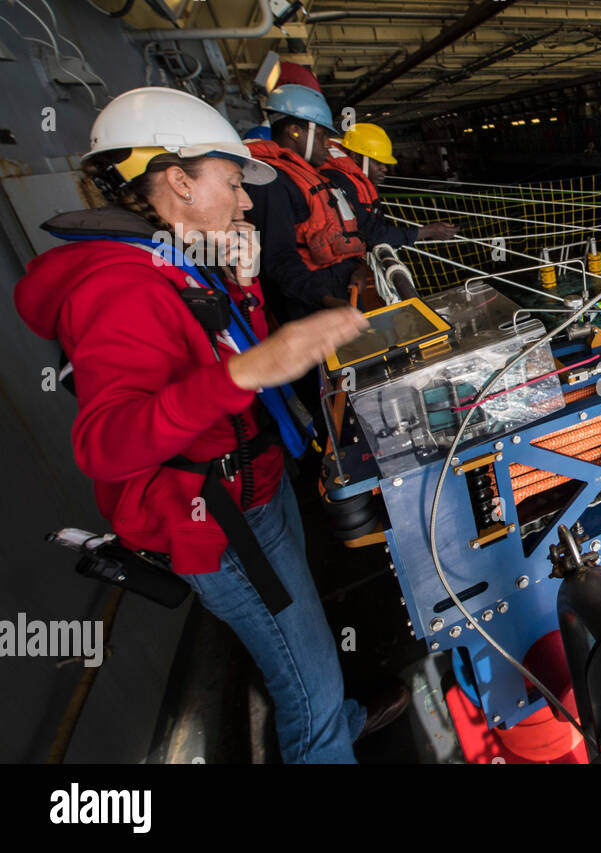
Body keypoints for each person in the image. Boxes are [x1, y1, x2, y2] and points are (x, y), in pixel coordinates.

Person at [13, 87, 407, 763]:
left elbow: (214, 351)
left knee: (306, 627)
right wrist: (251, 370)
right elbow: (105, 442)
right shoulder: (120, 287)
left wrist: (244, 289)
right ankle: (325, 735)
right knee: (303, 682)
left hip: (254, 485)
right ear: (179, 181)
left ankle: (338, 712)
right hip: (221, 521)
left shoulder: (173, 259)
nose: (248, 200)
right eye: (233, 182)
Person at [243, 84, 367, 323]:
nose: (328, 145)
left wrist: (357, 267)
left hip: (343, 290)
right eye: (321, 135)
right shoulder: (272, 182)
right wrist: (326, 300)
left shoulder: (311, 176)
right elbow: (277, 258)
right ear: (294, 132)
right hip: (312, 306)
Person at [319, 123, 456, 256]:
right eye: (378, 162)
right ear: (355, 157)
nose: (384, 168)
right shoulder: (341, 182)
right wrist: (426, 232)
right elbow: (372, 235)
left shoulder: (352, 180)